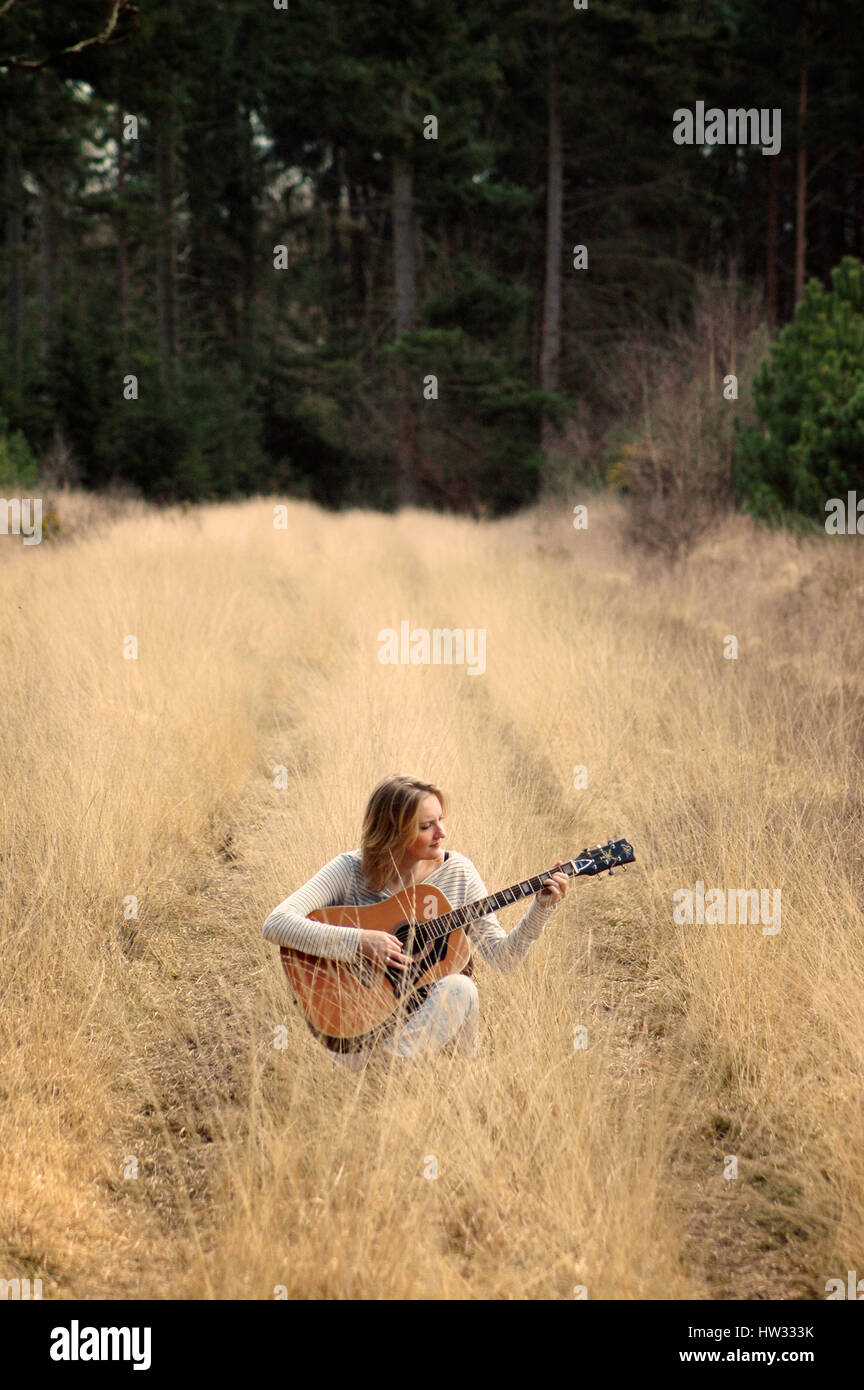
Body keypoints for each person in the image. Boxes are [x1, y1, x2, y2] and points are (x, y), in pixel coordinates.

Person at [262, 774, 568, 1069]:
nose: (442, 833)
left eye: (441, 820)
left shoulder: (458, 873)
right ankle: (384, 1068)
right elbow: (277, 923)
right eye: (426, 826)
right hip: (362, 1023)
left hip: (434, 1025)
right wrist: (360, 943)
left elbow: (503, 959)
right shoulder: (350, 870)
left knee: (461, 988)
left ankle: (387, 1068)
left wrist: (541, 908)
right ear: (393, 831)